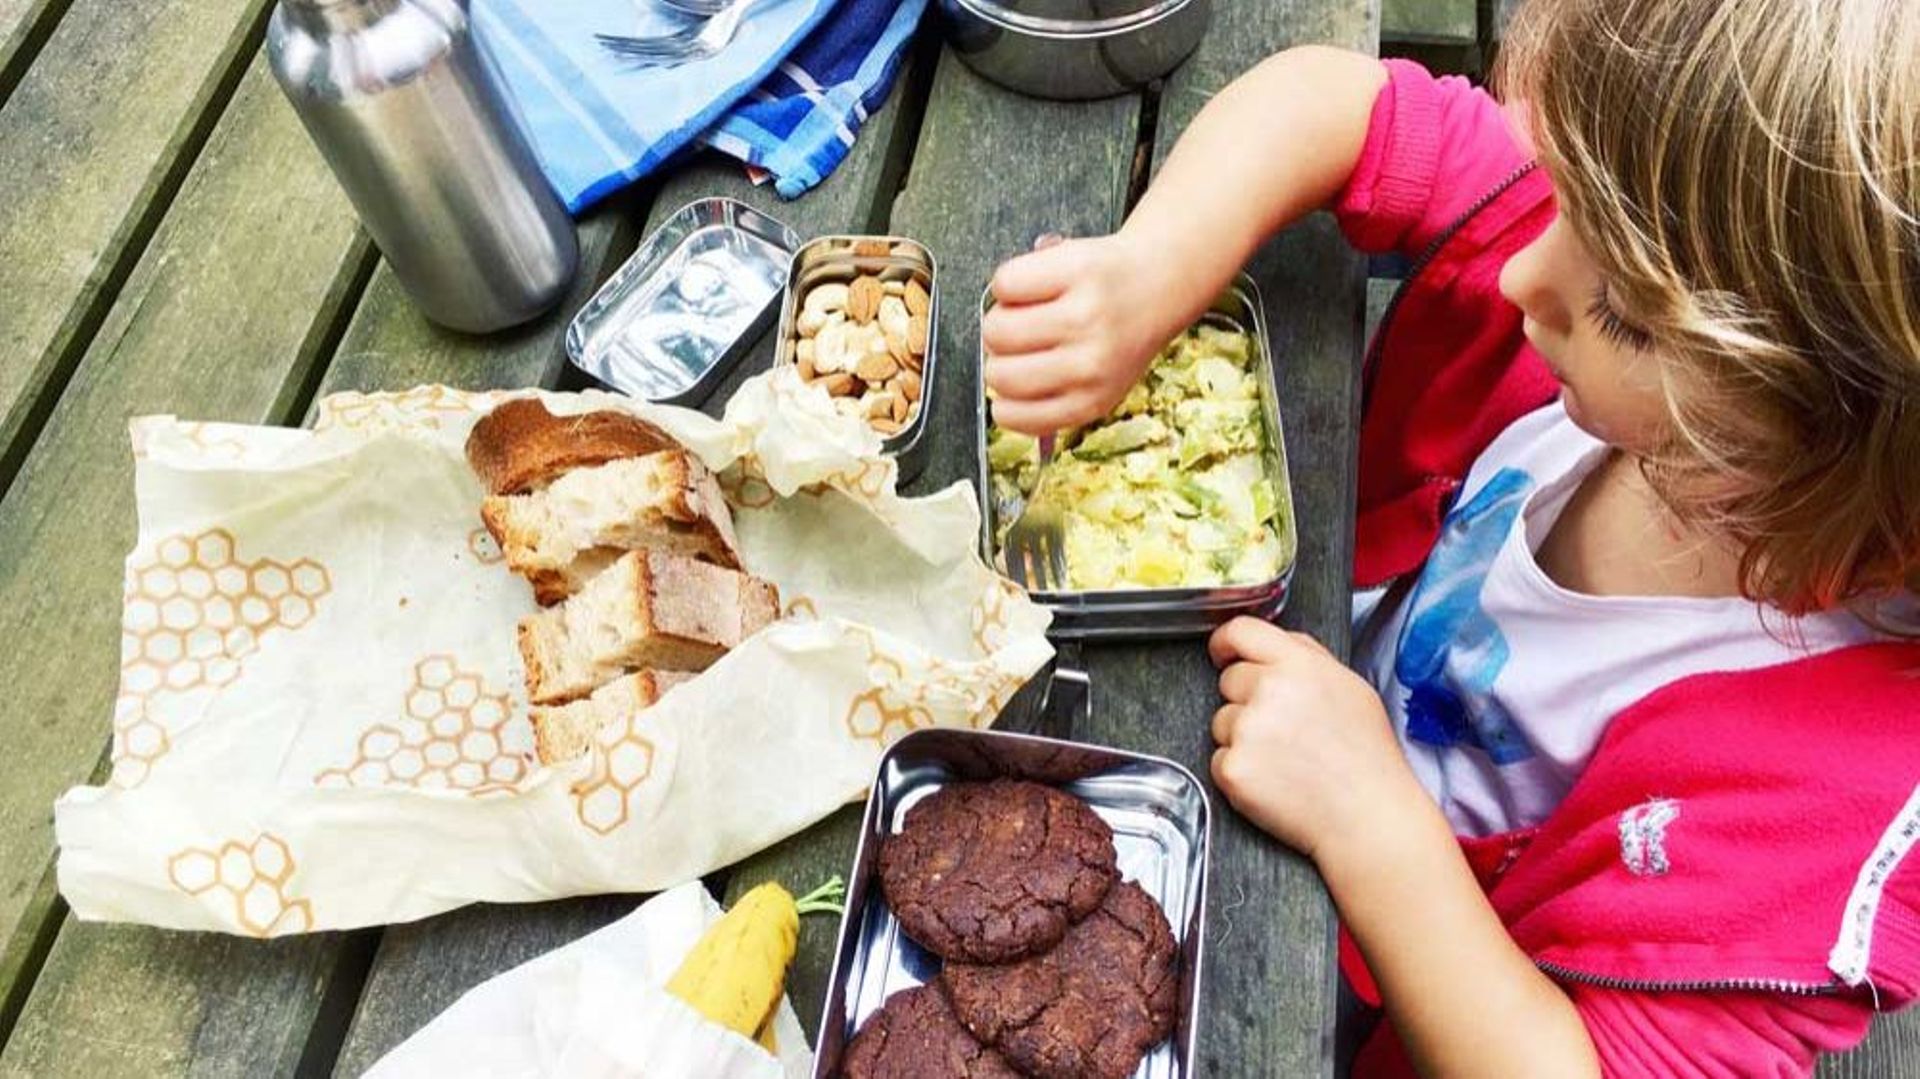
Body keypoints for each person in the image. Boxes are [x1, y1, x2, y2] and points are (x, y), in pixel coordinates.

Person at [980, 0, 1919, 1073]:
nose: (1527, 272)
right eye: (1564, 197)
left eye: (1618, 312)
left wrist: (1369, 818)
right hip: (1313, 678)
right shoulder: (1663, 212)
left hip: (1367, 985)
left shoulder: (1831, 806)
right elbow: (1336, 105)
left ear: (1828, 437)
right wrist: (1153, 265)